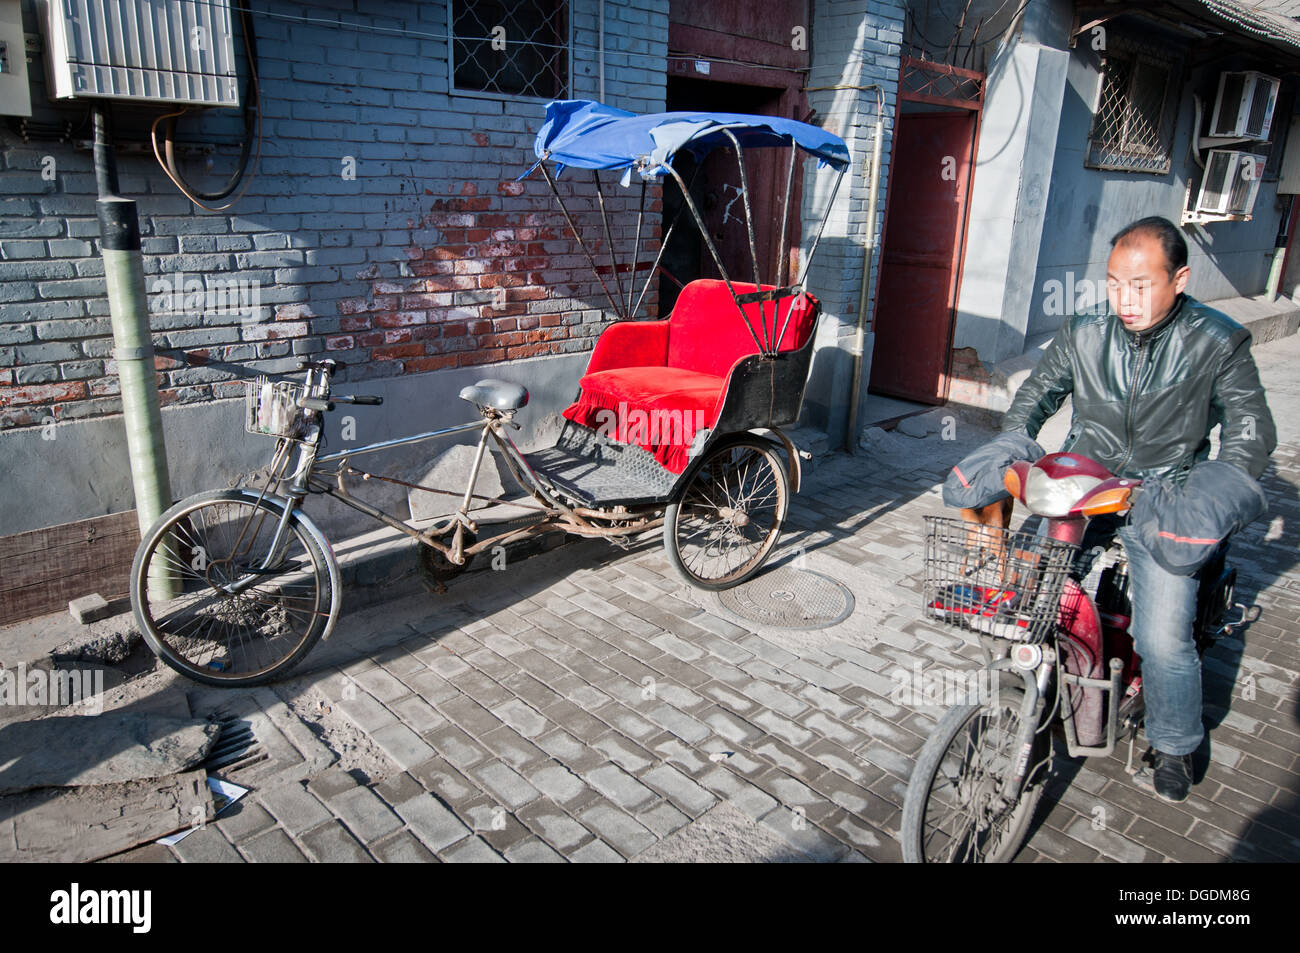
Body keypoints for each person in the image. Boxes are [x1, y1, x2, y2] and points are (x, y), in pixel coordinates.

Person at [999, 215, 1276, 802]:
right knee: (1029, 592)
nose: (1125, 300)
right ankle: (1037, 685)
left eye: (1141, 285)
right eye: (1113, 283)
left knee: (1163, 634)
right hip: (1088, 483)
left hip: (1167, 495)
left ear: (1180, 279)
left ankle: (1176, 741)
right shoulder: (1084, 332)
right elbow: (1035, 395)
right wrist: (1012, 445)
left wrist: (1207, 493)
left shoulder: (1218, 340)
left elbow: (1251, 433)